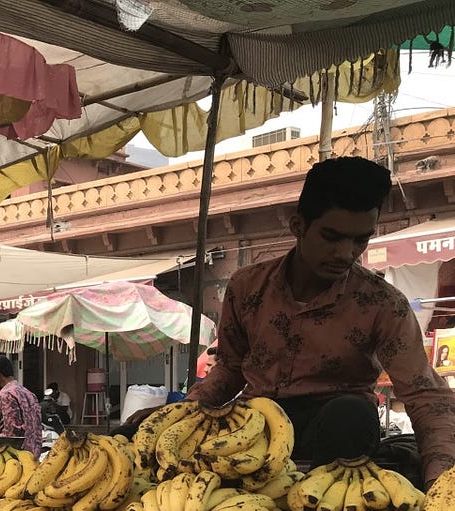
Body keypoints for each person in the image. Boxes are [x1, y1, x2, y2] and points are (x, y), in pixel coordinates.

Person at [188, 156, 455, 487]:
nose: (346, 253)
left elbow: (424, 395)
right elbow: (229, 368)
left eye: (360, 240)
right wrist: (180, 416)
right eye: (332, 236)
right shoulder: (246, 286)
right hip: (254, 425)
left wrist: (441, 479)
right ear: (298, 226)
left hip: (339, 429)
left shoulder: (383, 303)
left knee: (350, 415)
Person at [0, 356, 43, 455]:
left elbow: (11, 432)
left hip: (17, 455)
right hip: (34, 453)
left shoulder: (7, 394)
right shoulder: (28, 393)